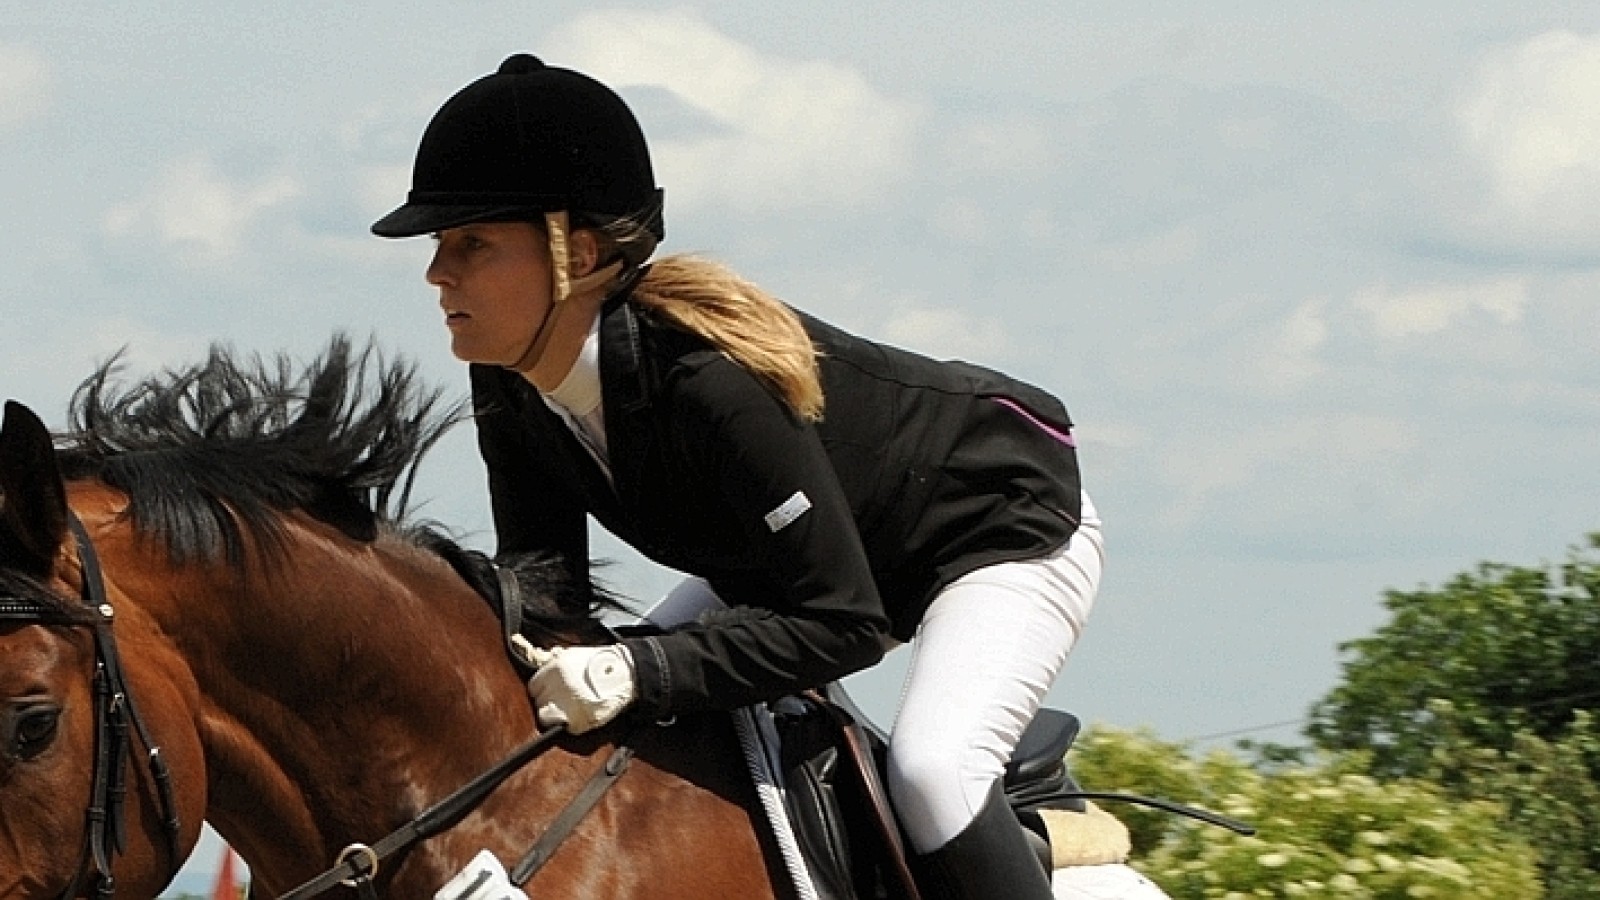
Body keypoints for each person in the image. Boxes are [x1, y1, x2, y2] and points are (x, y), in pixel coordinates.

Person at [373, 54, 1105, 900]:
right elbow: (549, 592)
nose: (438, 273)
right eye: (439, 245)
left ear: (572, 252)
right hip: (805, 568)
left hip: (994, 527)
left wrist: (640, 670)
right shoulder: (511, 381)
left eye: (471, 243)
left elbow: (844, 626)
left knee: (935, 773)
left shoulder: (709, 381)